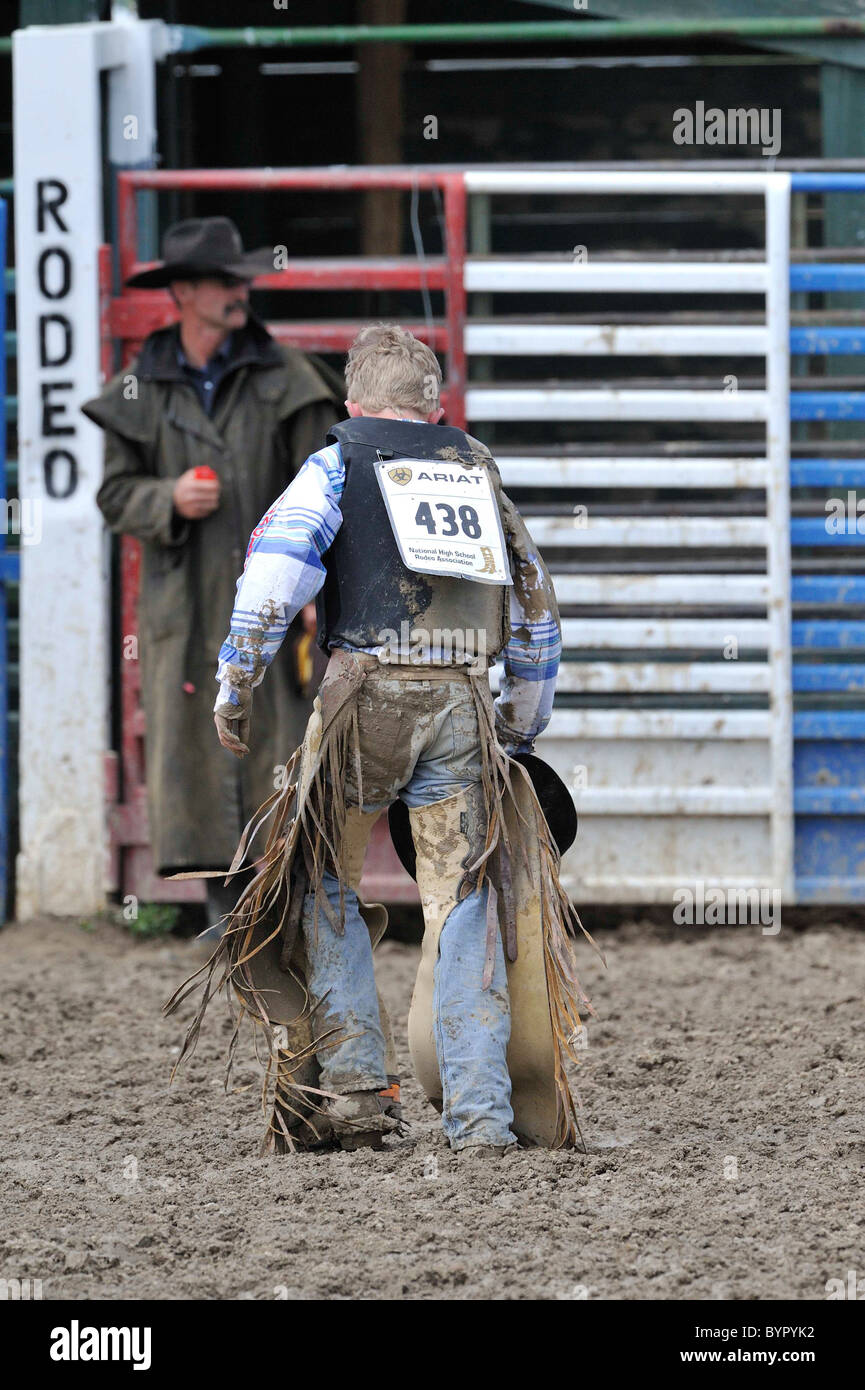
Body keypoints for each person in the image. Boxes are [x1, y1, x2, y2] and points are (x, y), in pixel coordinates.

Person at [169, 323, 593, 1156]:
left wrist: (235, 684)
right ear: (434, 406)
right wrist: (519, 724)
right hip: (461, 703)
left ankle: (358, 1095)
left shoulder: (337, 463)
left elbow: (274, 574)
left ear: (353, 403)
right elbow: (537, 609)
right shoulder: (478, 474)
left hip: (363, 696)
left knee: (324, 883)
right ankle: (479, 1119)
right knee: (466, 905)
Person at [82, 217, 342, 929]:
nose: (240, 292)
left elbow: (329, 482)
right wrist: (166, 496)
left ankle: (294, 921)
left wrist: (321, 585)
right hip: (186, 610)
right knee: (194, 764)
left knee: (287, 759)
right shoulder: (142, 388)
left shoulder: (285, 376)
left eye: (241, 279)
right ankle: (226, 921)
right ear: (185, 292)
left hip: (280, 611)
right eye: (225, 281)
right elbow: (112, 495)